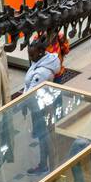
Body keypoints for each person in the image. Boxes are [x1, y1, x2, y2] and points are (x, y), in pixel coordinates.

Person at [23, 38, 61, 174]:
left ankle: (53, 168)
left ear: (40, 52)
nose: (30, 57)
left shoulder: (42, 72)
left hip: (43, 108)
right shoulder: (40, 61)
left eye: (32, 55)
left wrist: (22, 104)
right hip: (40, 106)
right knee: (43, 137)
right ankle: (44, 164)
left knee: (47, 138)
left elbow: (31, 90)